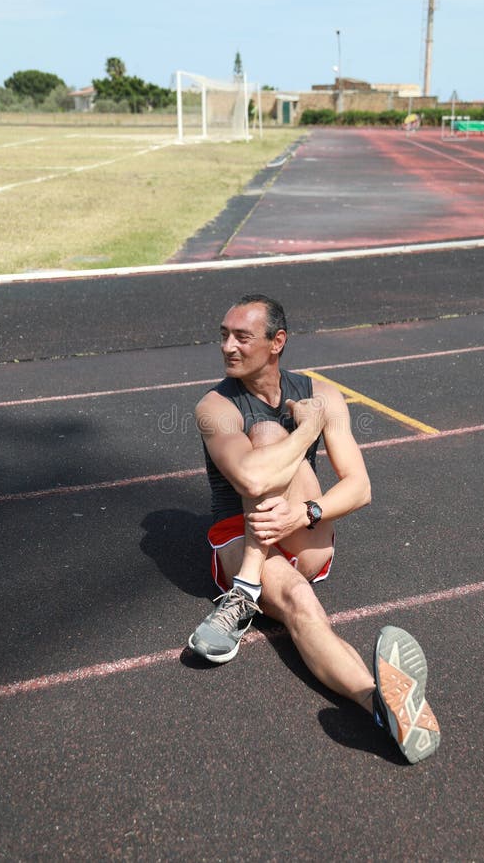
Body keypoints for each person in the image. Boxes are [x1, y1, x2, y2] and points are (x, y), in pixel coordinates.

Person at [188, 294, 440, 764]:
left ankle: (244, 593)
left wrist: (306, 514)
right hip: (240, 536)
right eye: (223, 335)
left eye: (242, 336)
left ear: (277, 342)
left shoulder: (321, 391)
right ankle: (379, 703)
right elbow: (252, 480)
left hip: (302, 530)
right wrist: (307, 431)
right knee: (302, 604)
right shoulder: (214, 406)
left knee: (270, 437)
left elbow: (360, 488)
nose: (228, 346)